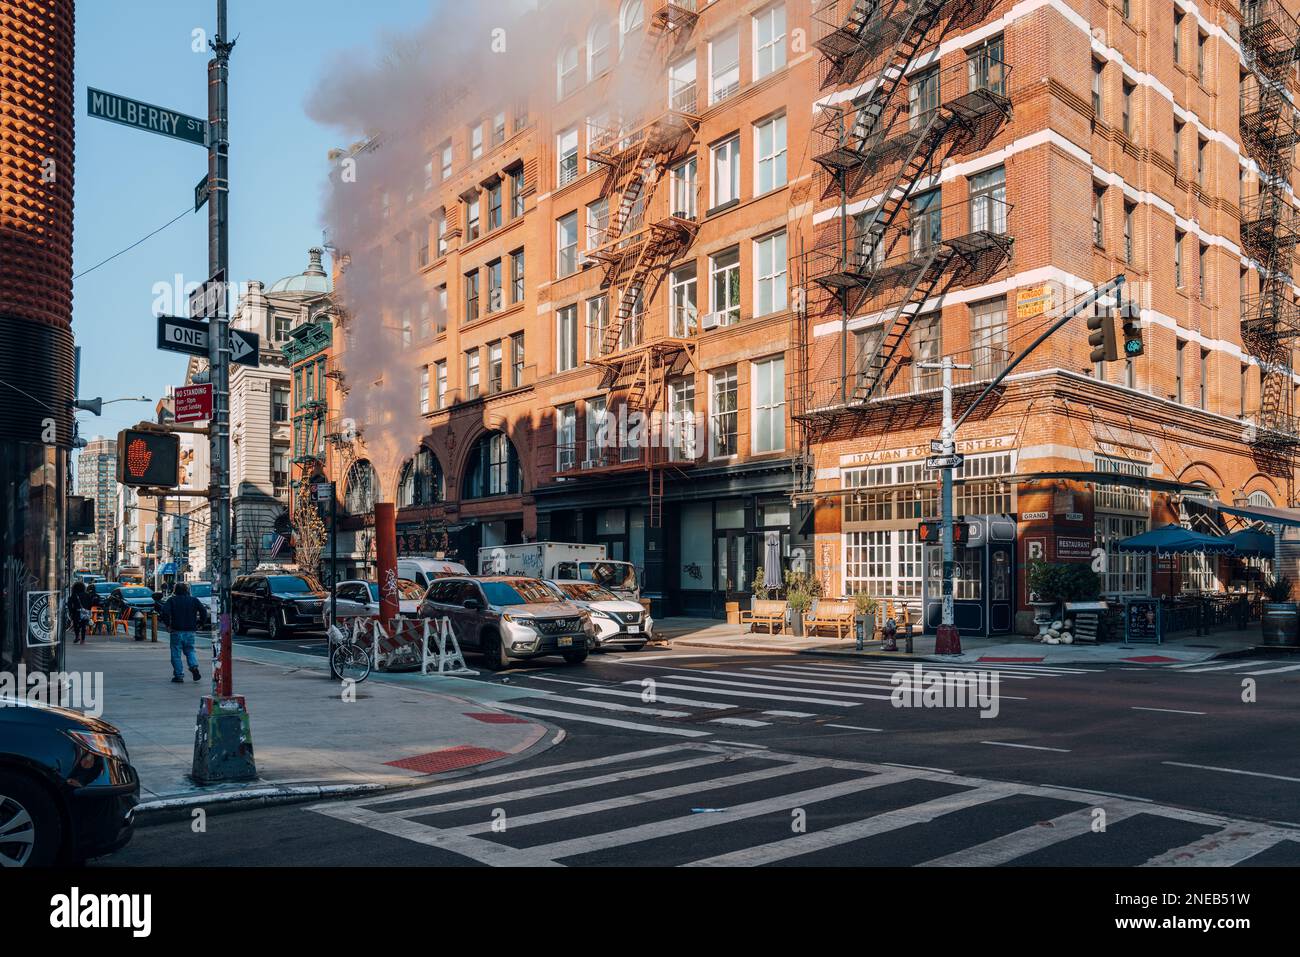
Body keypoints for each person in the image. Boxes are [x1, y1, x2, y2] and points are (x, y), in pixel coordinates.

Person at [161, 582, 209, 684]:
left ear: (175, 590)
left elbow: (164, 612)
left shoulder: (172, 600)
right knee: (190, 650)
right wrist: (201, 623)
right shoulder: (194, 600)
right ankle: (193, 666)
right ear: (187, 590)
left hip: (176, 630)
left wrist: (167, 625)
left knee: (176, 654)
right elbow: (203, 611)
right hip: (190, 630)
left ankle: (179, 675)